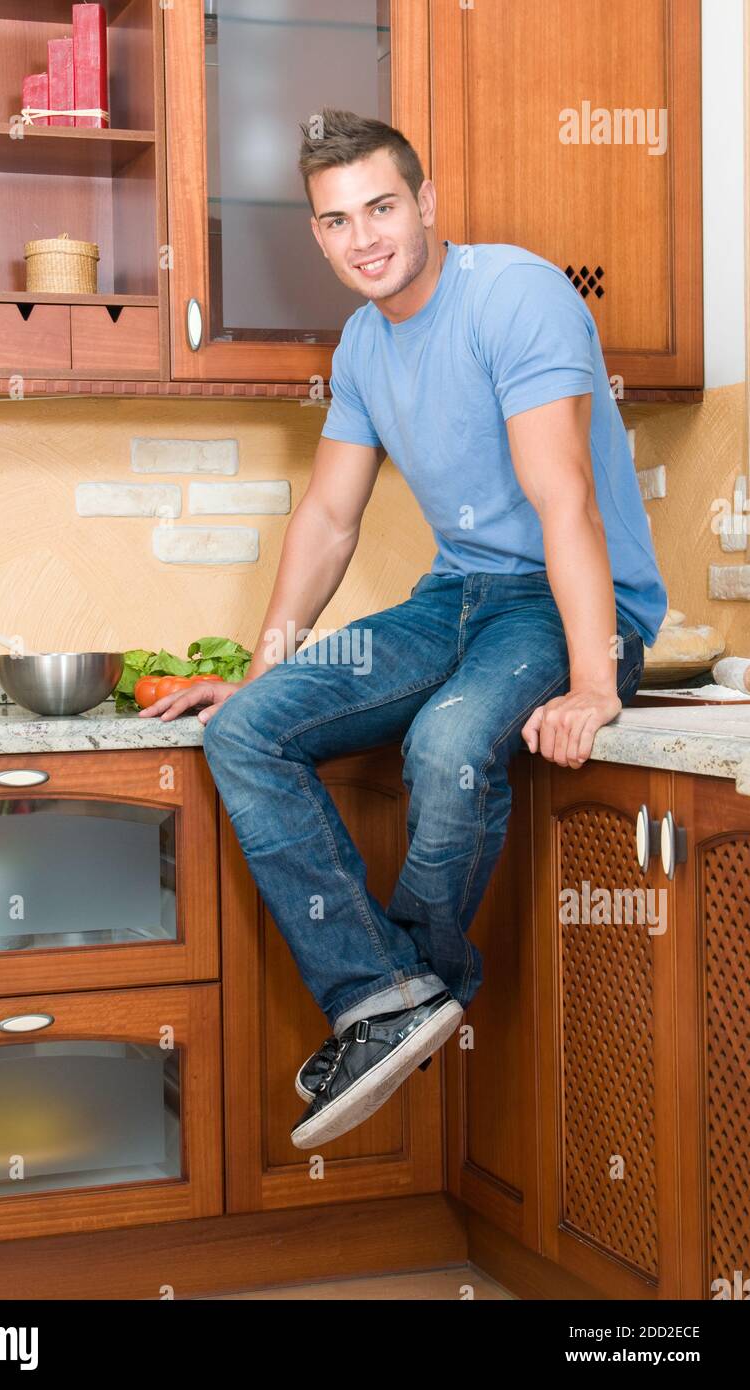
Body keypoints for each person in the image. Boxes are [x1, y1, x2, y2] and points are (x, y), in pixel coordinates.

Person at [139, 108, 666, 1151]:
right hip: (452, 598)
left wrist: (595, 680)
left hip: (555, 607)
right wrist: (264, 669)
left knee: (445, 741)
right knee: (244, 730)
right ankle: (382, 994)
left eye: (380, 206)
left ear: (424, 204)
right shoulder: (362, 343)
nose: (362, 237)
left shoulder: (514, 294)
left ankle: (414, 988)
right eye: (335, 221)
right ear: (318, 236)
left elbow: (565, 502)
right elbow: (330, 518)